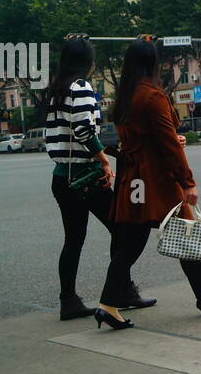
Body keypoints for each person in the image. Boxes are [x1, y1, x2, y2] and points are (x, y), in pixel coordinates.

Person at [95, 39, 201, 330]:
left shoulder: (125, 96)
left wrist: (167, 141)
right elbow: (168, 143)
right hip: (155, 179)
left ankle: (108, 303)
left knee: (129, 245)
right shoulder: (152, 96)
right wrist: (188, 182)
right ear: (152, 64)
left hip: (132, 179)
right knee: (184, 231)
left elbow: (141, 139)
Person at [43, 35, 154, 321]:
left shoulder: (55, 90)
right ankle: (122, 291)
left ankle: (68, 300)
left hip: (62, 176)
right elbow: (83, 130)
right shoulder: (80, 87)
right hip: (86, 176)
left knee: (74, 240)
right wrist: (104, 160)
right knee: (122, 230)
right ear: (86, 62)